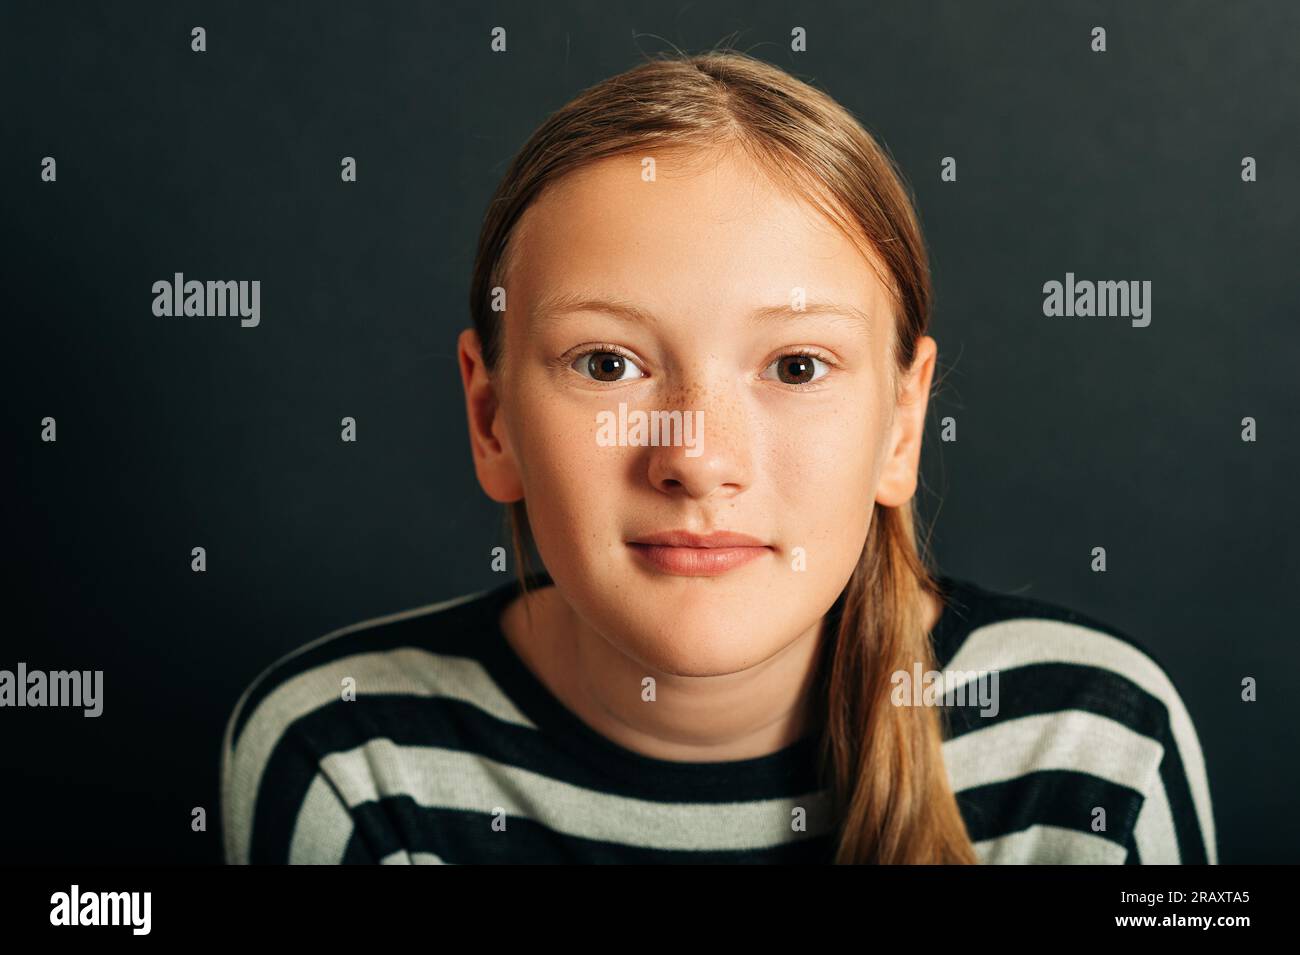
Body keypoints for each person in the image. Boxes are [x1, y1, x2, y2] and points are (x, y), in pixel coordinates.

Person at [221, 49, 1215, 864]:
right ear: (491, 420)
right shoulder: (349, 756)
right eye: (606, 362)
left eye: (794, 365)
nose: (694, 459)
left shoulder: (1093, 745)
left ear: (901, 427)